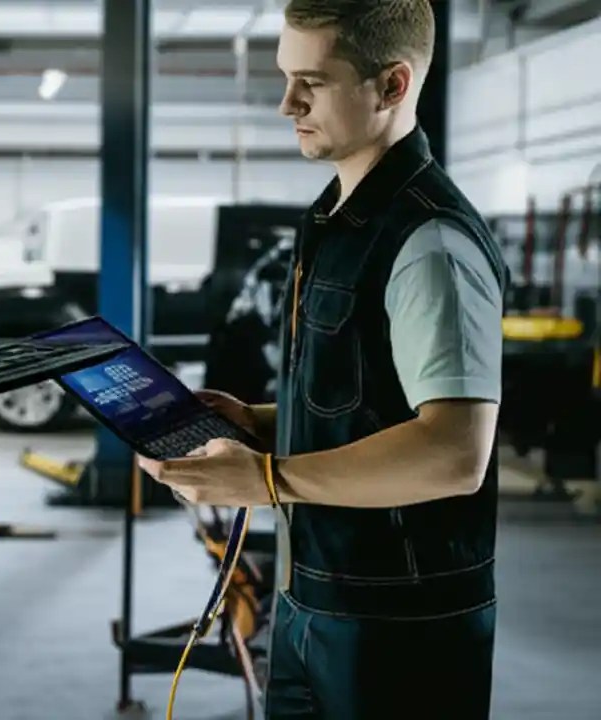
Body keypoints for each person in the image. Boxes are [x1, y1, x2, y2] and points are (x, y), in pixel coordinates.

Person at [139, 1, 507, 718]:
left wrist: (267, 479)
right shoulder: (336, 219)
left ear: (392, 85)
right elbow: (368, 402)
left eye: (312, 81)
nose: (287, 104)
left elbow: (455, 452)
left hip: (399, 630)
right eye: (285, 77)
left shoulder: (429, 243)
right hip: (313, 597)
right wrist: (258, 420)